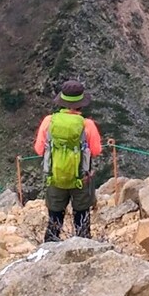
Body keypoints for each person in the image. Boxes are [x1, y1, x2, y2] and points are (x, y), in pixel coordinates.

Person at [32, 78, 103, 241]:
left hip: (55, 178)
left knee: (54, 219)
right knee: (82, 220)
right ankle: (83, 247)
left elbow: (39, 149)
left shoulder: (49, 121)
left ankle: (50, 247)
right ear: (81, 104)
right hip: (81, 180)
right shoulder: (87, 124)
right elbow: (96, 150)